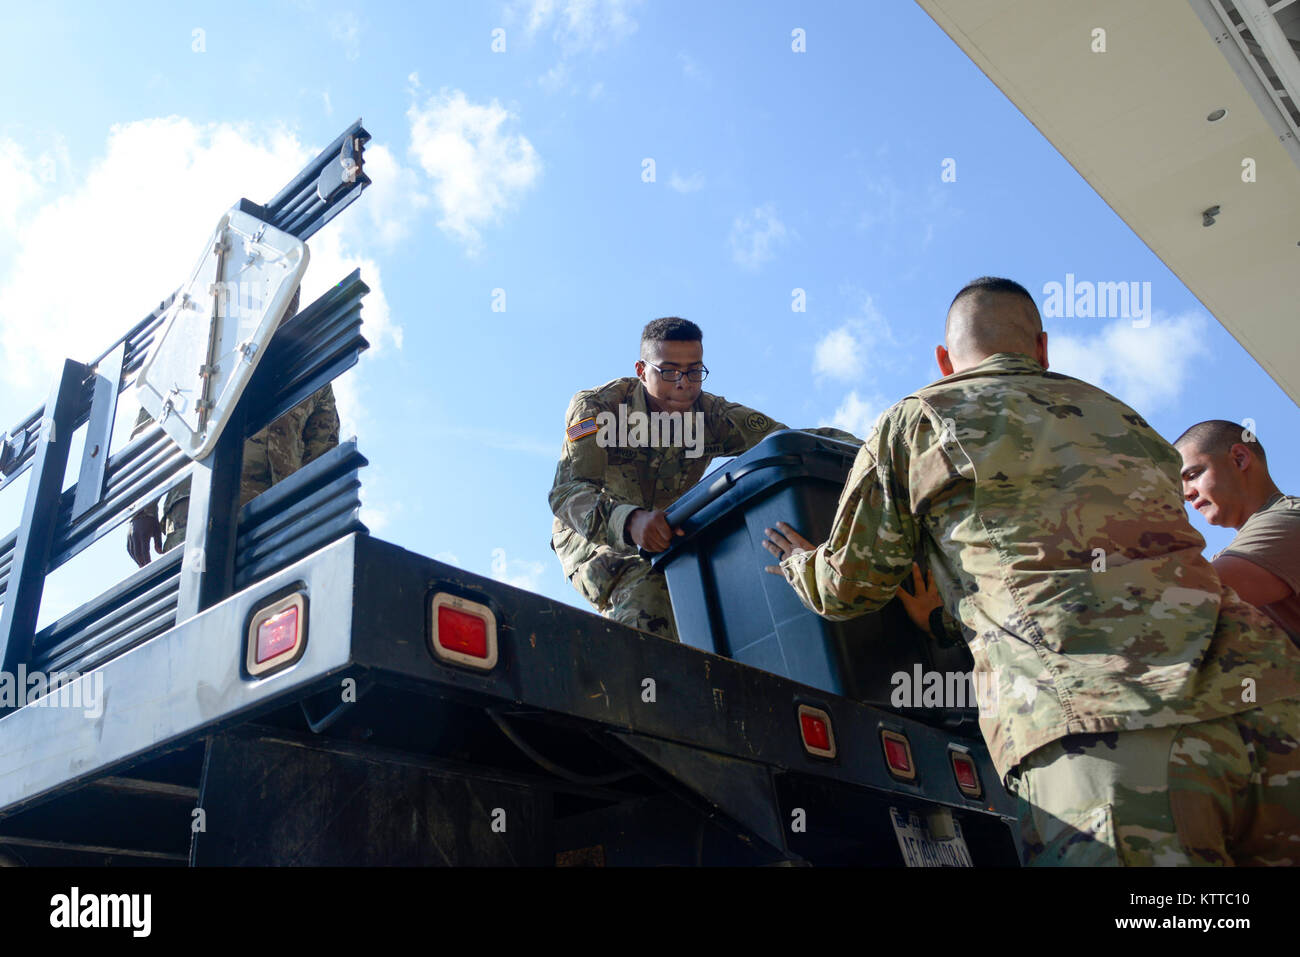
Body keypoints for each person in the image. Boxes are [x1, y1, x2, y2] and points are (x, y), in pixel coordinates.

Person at [762, 276, 1300, 866]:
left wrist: (797, 562)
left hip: (1108, 728)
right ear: (1041, 349)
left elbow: (851, 586)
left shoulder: (920, 417)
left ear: (945, 361)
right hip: (1271, 708)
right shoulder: (1125, 418)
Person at [549, 316, 856, 642]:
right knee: (648, 596)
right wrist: (630, 522)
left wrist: (874, 454)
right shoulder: (600, 407)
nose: (683, 384)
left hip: (670, 532)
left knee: (729, 591)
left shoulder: (711, 417)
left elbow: (786, 441)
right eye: (669, 372)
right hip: (594, 537)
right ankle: (643, 687)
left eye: (694, 372)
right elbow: (567, 493)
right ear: (642, 371)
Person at [127, 289, 340, 566]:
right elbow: (150, 427)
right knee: (196, 603)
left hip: (279, 524)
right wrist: (142, 510)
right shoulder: (198, 343)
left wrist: (321, 533)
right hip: (198, 516)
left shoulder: (309, 365)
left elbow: (323, 458)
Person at [1175, 420, 1300, 644]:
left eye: (1193, 475)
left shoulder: (1288, 522)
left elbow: (1185, 599)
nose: (1187, 494)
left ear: (1239, 458)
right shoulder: (1230, 553)